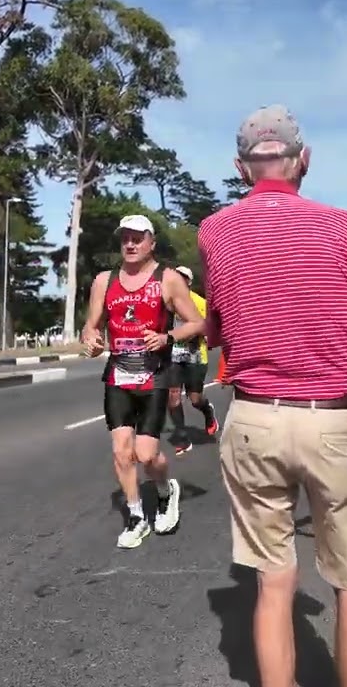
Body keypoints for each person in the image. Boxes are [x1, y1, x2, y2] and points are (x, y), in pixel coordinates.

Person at [198, 104, 347, 687]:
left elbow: (218, 327)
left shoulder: (215, 230)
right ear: (304, 159)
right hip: (334, 418)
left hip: (257, 416)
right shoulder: (340, 227)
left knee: (273, 581)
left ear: (240, 167)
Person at [82, 214, 205, 549]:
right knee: (121, 451)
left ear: (152, 243)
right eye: (125, 238)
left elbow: (197, 323)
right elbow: (91, 326)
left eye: (138, 238)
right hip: (118, 376)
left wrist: (167, 337)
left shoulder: (168, 279)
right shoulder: (104, 281)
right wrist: (91, 340)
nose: (130, 244)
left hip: (155, 375)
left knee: (146, 455)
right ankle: (136, 516)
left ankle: (166, 490)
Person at [166, 265, 219, 455]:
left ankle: (207, 411)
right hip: (173, 356)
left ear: (188, 282)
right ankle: (181, 437)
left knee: (195, 399)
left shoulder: (200, 302)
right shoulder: (166, 303)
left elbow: (209, 329)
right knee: (173, 395)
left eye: (182, 278)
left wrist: (194, 332)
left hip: (195, 356)